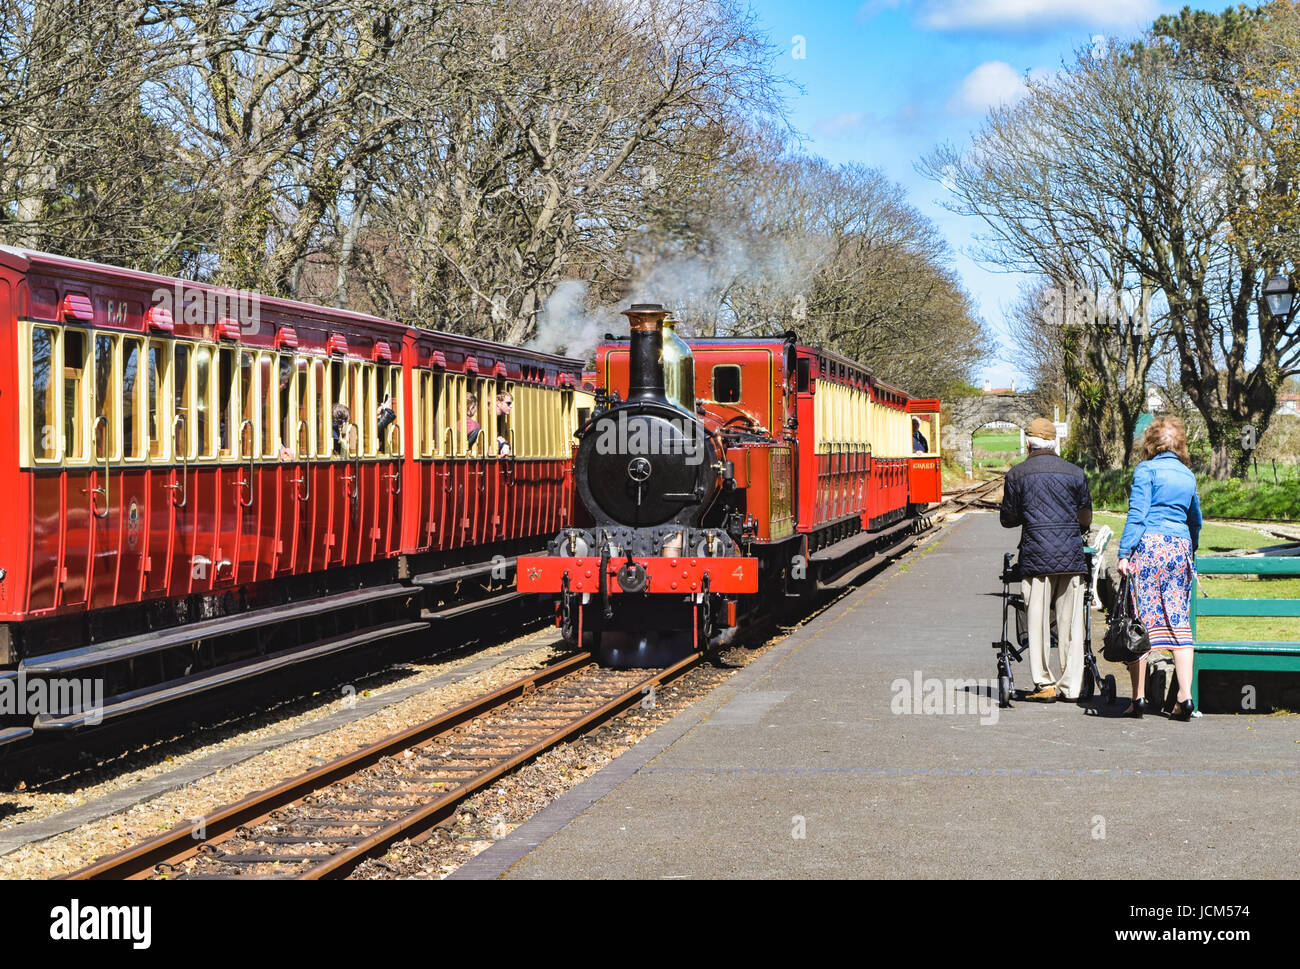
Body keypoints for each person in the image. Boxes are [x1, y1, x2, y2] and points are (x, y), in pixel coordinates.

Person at [999, 418, 1093, 702]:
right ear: (1054, 443)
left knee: (1038, 622)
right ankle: (1071, 686)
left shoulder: (1017, 474)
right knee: (1071, 624)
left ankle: (1044, 684)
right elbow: (1085, 519)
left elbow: (1007, 519)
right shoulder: (1075, 473)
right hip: (1071, 558)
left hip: (1037, 557)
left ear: (1028, 443)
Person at [1117, 416, 1203, 720]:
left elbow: (1137, 515)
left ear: (1151, 442)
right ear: (1179, 443)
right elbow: (1195, 520)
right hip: (1179, 549)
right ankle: (1185, 698)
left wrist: (1124, 552)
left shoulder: (1146, 470)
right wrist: (1189, 548)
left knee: (1139, 621)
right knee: (1179, 622)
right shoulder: (1187, 476)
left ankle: (1138, 699)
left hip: (1149, 549)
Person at [495, 391, 513, 455]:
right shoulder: (489, 416)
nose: (511, 406)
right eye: (508, 403)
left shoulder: (501, 420)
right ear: (498, 403)